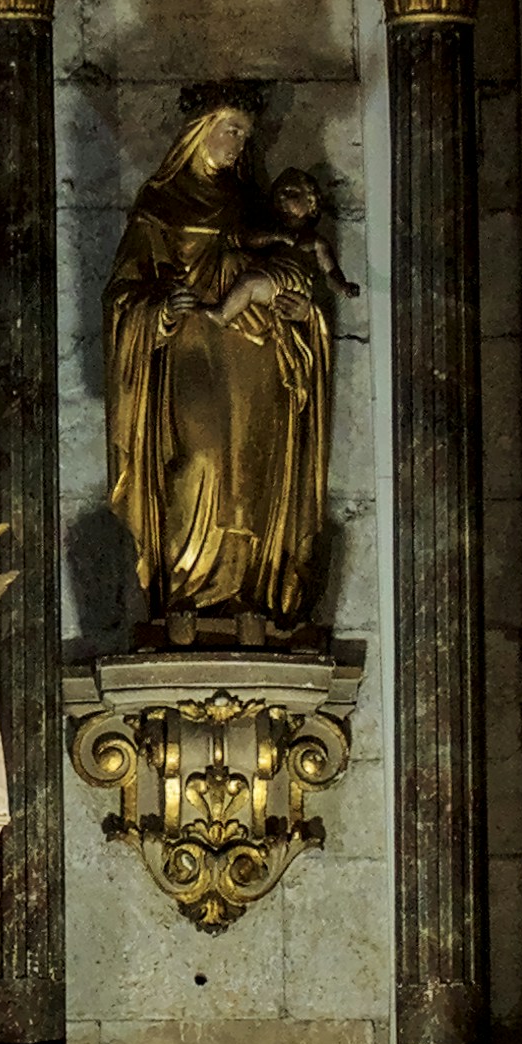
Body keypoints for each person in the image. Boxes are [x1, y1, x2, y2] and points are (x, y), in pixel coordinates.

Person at [103, 86, 337, 642]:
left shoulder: (258, 208)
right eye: (230, 129)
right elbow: (122, 295)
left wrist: (307, 316)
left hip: (257, 352)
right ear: (199, 131)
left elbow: (295, 271)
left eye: (245, 136)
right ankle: (184, 591)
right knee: (200, 461)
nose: (238, 144)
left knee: (252, 474)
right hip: (191, 347)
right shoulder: (160, 206)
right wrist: (158, 311)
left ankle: (249, 597)